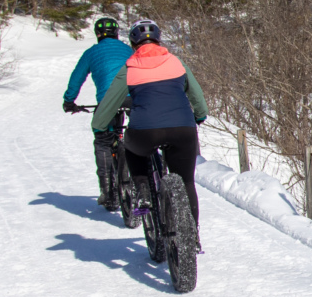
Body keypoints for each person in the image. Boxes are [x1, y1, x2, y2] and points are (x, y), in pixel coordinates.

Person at [91, 20, 209, 232]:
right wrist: (200, 115)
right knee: (187, 182)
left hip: (145, 131)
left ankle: (143, 190)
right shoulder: (176, 62)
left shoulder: (129, 68)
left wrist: (99, 125)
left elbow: (109, 104)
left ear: (133, 42)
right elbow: (197, 96)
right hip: (183, 129)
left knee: (131, 148)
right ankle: (192, 235)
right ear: (159, 39)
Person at [63, 16, 132, 208]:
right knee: (134, 134)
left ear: (97, 34)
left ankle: (108, 192)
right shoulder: (127, 49)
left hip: (107, 101)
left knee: (102, 139)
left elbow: (77, 78)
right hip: (133, 98)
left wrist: (69, 101)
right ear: (117, 33)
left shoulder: (91, 52)